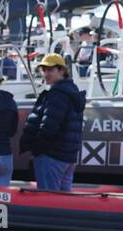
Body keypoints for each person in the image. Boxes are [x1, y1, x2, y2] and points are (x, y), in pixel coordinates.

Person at [20, 52, 86, 191]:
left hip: (52, 156)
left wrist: (37, 150)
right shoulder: (72, 91)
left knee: (48, 198)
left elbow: (49, 126)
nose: (46, 74)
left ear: (61, 70)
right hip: (68, 157)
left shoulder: (58, 94)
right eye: (44, 70)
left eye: (50, 70)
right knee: (64, 201)